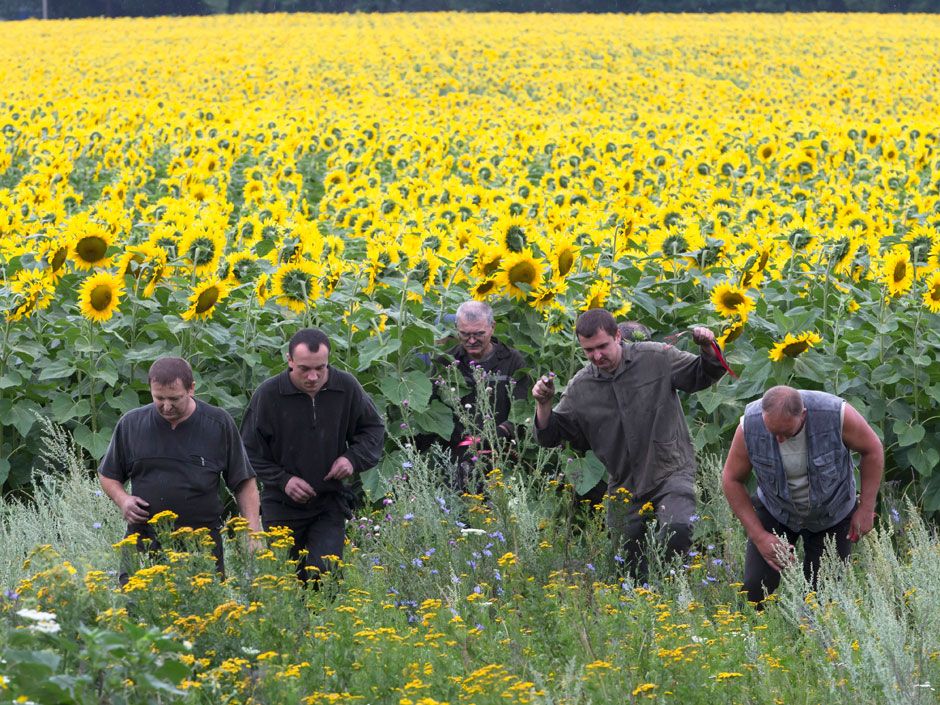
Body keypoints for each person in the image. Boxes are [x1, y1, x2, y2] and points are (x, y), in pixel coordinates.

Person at [532, 308, 726, 577]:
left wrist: (708, 346)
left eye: (602, 346)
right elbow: (551, 435)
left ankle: (672, 589)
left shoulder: (656, 357)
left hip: (671, 469)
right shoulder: (581, 387)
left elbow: (703, 374)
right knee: (626, 564)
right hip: (624, 483)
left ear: (618, 336)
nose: (597, 356)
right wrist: (544, 404)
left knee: (677, 527)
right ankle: (645, 605)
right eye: (589, 350)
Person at [241, 328, 385, 581]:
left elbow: (373, 430)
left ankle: (324, 620)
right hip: (281, 504)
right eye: (304, 369)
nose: (313, 376)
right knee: (282, 580)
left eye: (321, 368)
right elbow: (248, 452)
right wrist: (284, 480)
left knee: (325, 576)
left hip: (329, 501)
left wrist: (351, 459)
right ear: (289, 361)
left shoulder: (346, 387)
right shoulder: (269, 394)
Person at [98, 357, 261, 580]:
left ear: (192, 388)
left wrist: (252, 533)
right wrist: (123, 499)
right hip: (144, 540)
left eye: (174, 398)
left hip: (200, 544)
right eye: (159, 398)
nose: (166, 406)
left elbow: (244, 483)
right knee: (137, 610)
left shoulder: (218, 424)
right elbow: (108, 475)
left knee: (203, 611)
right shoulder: (131, 424)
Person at [721, 385, 884, 605]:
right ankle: (752, 635)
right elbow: (731, 478)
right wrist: (759, 536)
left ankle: (811, 634)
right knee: (754, 591)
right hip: (776, 510)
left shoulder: (836, 415)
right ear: (763, 416)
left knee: (823, 602)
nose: (779, 439)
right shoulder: (748, 426)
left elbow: (873, 449)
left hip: (832, 513)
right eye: (772, 432)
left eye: (786, 433)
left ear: (803, 414)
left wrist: (865, 508)